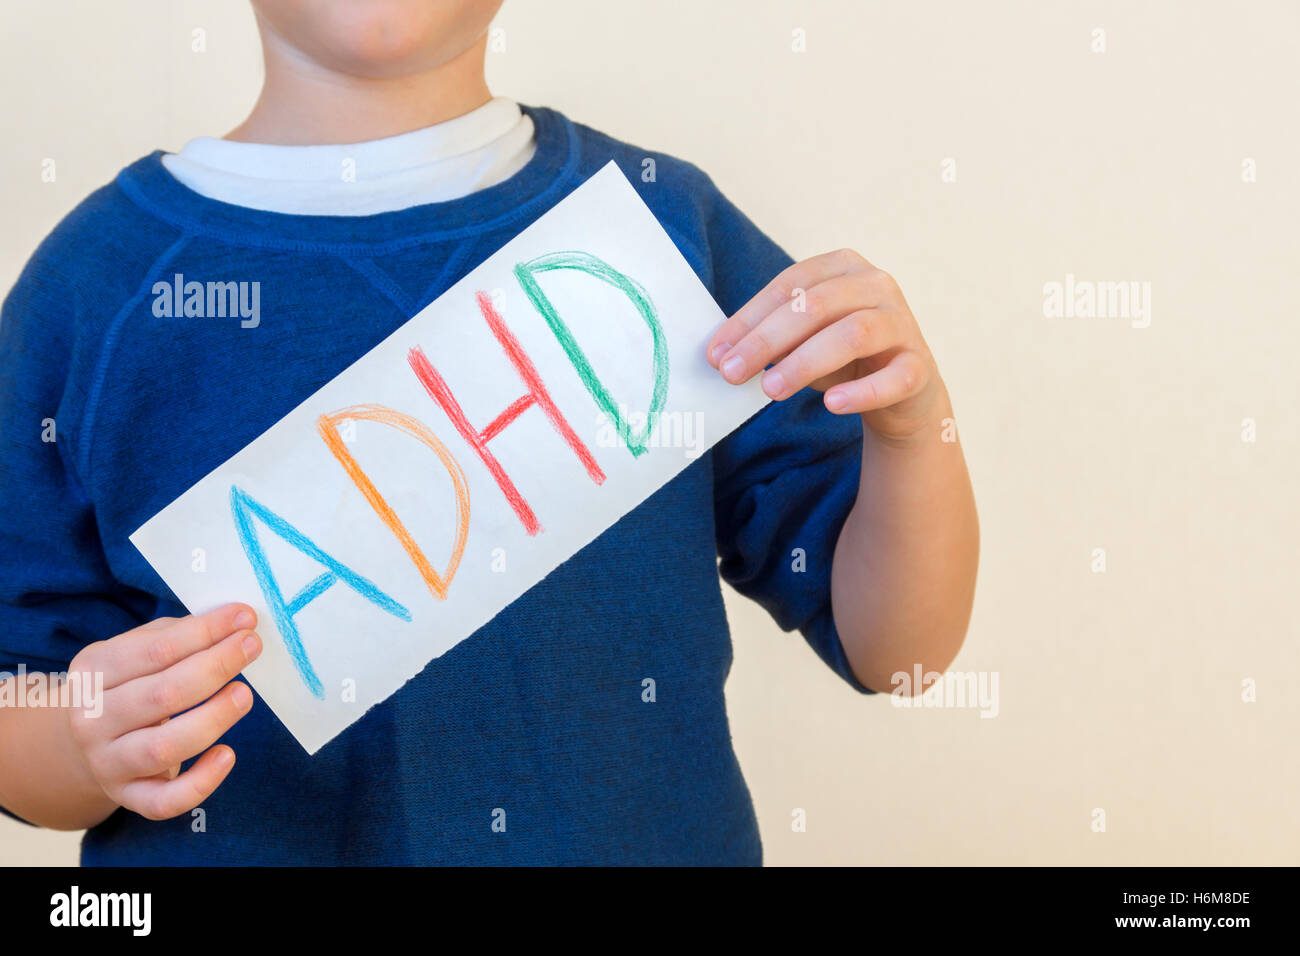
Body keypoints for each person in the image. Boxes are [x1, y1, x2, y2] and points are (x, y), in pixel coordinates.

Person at [0, 0, 978, 864]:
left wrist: (910, 428)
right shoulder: (96, 289)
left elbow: (896, 649)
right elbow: (20, 711)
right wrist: (79, 741)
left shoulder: (667, 224)